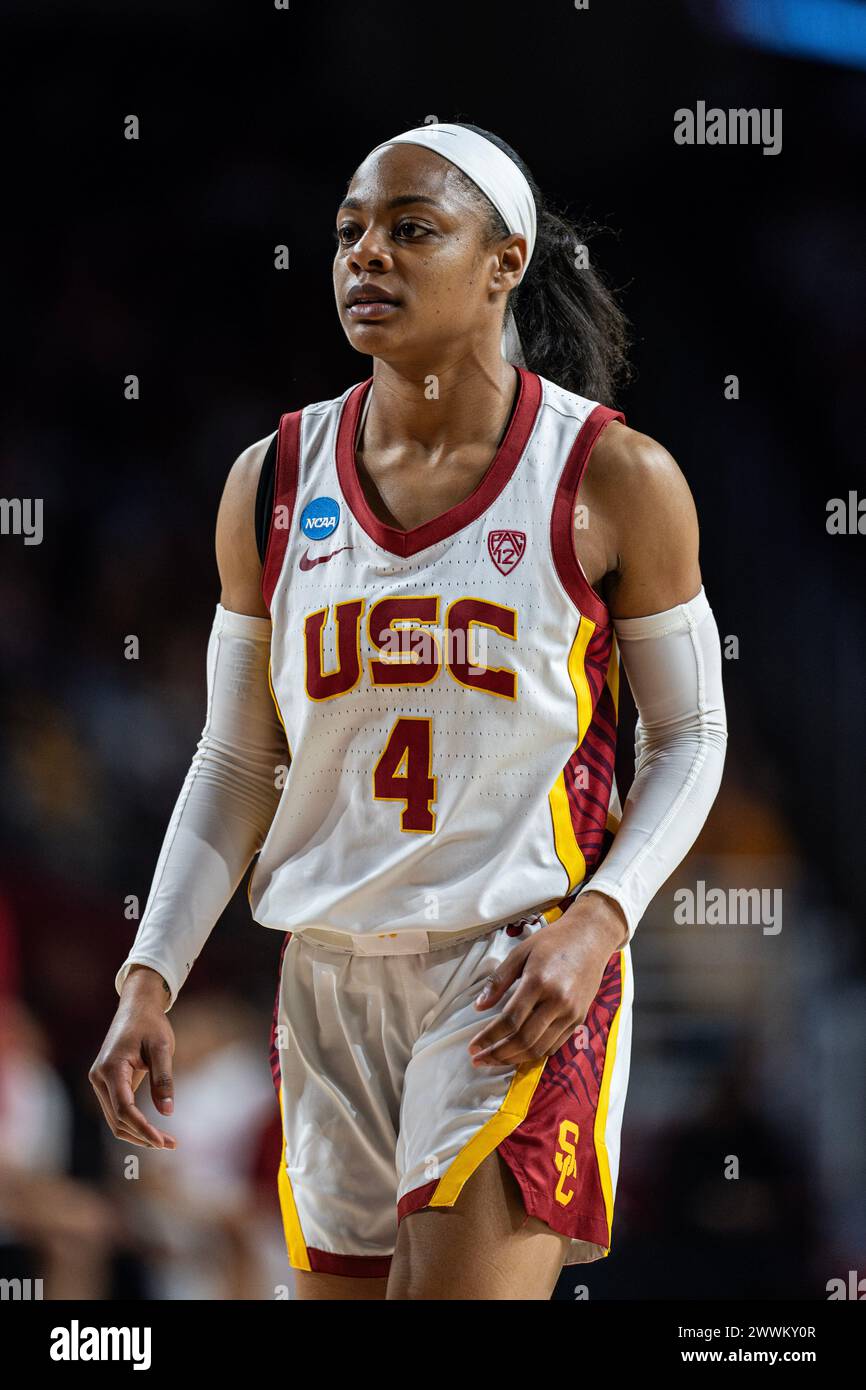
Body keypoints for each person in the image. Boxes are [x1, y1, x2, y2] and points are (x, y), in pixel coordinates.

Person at [90, 121, 728, 1301]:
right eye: (348, 233)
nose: (364, 255)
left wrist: (598, 922)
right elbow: (238, 757)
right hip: (322, 976)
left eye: (409, 229)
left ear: (505, 261)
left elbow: (689, 737)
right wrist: (150, 972)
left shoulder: (610, 477)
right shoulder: (272, 479)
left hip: (510, 967)